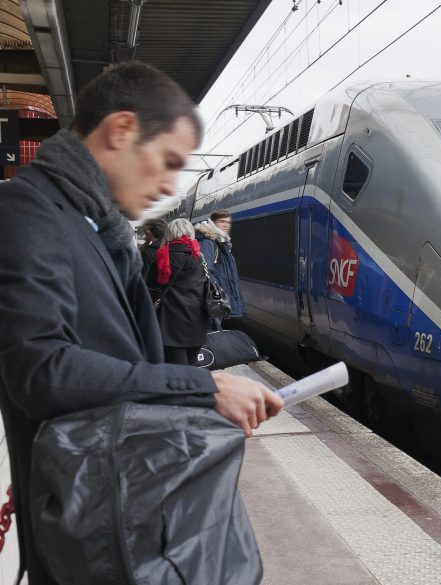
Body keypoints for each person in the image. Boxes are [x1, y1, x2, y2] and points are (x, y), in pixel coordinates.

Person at [0, 62, 283, 585]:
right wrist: (199, 387)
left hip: (118, 506)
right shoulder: (28, 210)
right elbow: (40, 370)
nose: (170, 185)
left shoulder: (98, 228)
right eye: (167, 161)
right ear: (122, 130)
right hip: (84, 527)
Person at [149, 218, 208, 365]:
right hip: (196, 319)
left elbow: (149, 286)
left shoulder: (162, 255)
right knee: (191, 365)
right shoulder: (199, 256)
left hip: (169, 321)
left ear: (169, 234)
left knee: (176, 368)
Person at [196, 209, 244, 330]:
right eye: (222, 221)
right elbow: (205, 271)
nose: (226, 225)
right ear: (213, 222)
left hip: (216, 299)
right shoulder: (208, 242)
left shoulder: (221, 242)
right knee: (212, 333)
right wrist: (219, 294)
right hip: (212, 300)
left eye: (228, 222)